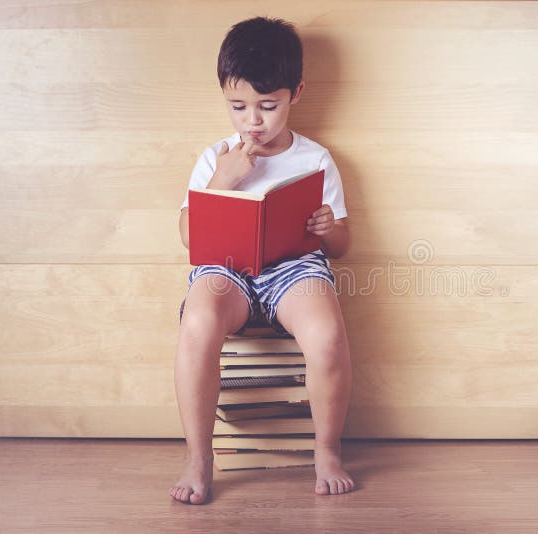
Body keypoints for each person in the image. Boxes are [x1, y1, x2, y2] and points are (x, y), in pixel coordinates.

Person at [169, 16, 355, 504]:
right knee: (198, 321)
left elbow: (341, 245)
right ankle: (198, 457)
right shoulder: (216, 157)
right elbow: (189, 237)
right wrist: (222, 183)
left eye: (267, 106)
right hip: (224, 269)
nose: (252, 120)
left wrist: (327, 229)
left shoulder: (315, 159)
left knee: (328, 332)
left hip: (293, 268)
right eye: (238, 106)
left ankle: (328, 449)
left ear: (296, 93)